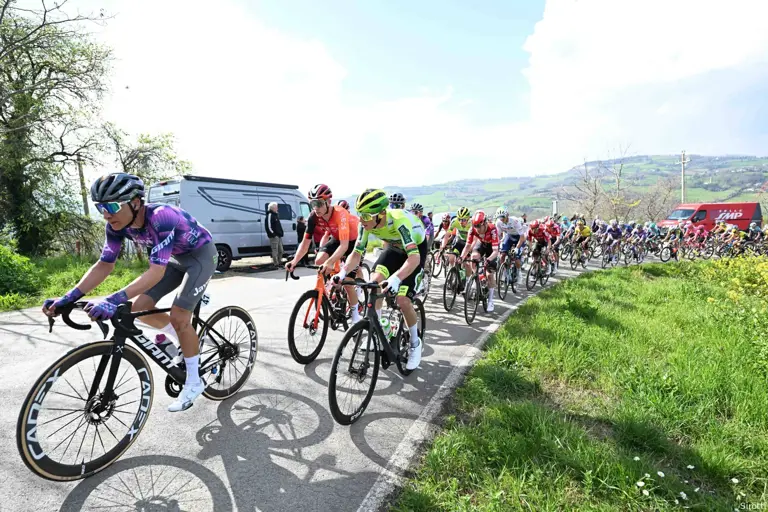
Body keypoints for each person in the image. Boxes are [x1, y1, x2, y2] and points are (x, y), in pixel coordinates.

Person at [42, 172, 217, 412]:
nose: (106, 213)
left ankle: (195, 381)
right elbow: (104, 265)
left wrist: (112, 301)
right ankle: (186, 340)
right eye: (100, 207)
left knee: (179, 317)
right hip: (174, 261)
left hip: (200, 258)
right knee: (140, 309)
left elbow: (155, 273)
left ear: (135, 203)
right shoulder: (116, 226)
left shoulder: (161, 217)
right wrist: (68, 298)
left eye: (112, 206)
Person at [334, 189, 426, 370]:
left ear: (381, 214)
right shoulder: (365, 225)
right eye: (360, 214)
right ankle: (378, 329)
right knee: (374, 284)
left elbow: (413, 258)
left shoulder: (400, 222)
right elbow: (356, 253)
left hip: (414, 252)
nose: (362, 219)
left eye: (366, 215)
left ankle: (415, 344)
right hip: (393, 249)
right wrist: (343, 273)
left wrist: (397, 279)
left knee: (402, 299)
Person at [286, 184, 362, 322]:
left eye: (319, 203)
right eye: (313, 203)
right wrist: (294, 262)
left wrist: (330, 262)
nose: (316, 207)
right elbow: (305, 243)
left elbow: (345, 246)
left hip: (354, 240)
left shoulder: (341, 214)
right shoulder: (313, 216)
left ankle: (356, 317)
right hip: (337, 238)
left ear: (328, 202)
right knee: (319, 261)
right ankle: (332, 288)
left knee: (348, 282)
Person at [459, 210, 500, 312]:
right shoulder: (472, 229)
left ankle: (491, 300)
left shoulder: (492, 230)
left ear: (485, 223)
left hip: (491, 248)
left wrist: (489, 259)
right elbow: (468, 246)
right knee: (474, 257)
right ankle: (475, 279)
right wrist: (462, 257)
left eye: (479, 227)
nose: (477, 229)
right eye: (475, 226)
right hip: (481, 244)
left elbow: (495, 251)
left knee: (490, 274)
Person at [266, 202, 284, 269]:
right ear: (272, 208)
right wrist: (273, 234)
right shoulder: (270, 215)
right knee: (275, 251)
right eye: (276, 207)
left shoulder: (276, 215)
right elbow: (268, 226)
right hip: (274, 237)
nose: (277, 208)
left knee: (281, 251)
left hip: (279, 236)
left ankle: (279, 262)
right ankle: (275, 264)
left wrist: (281, 233)